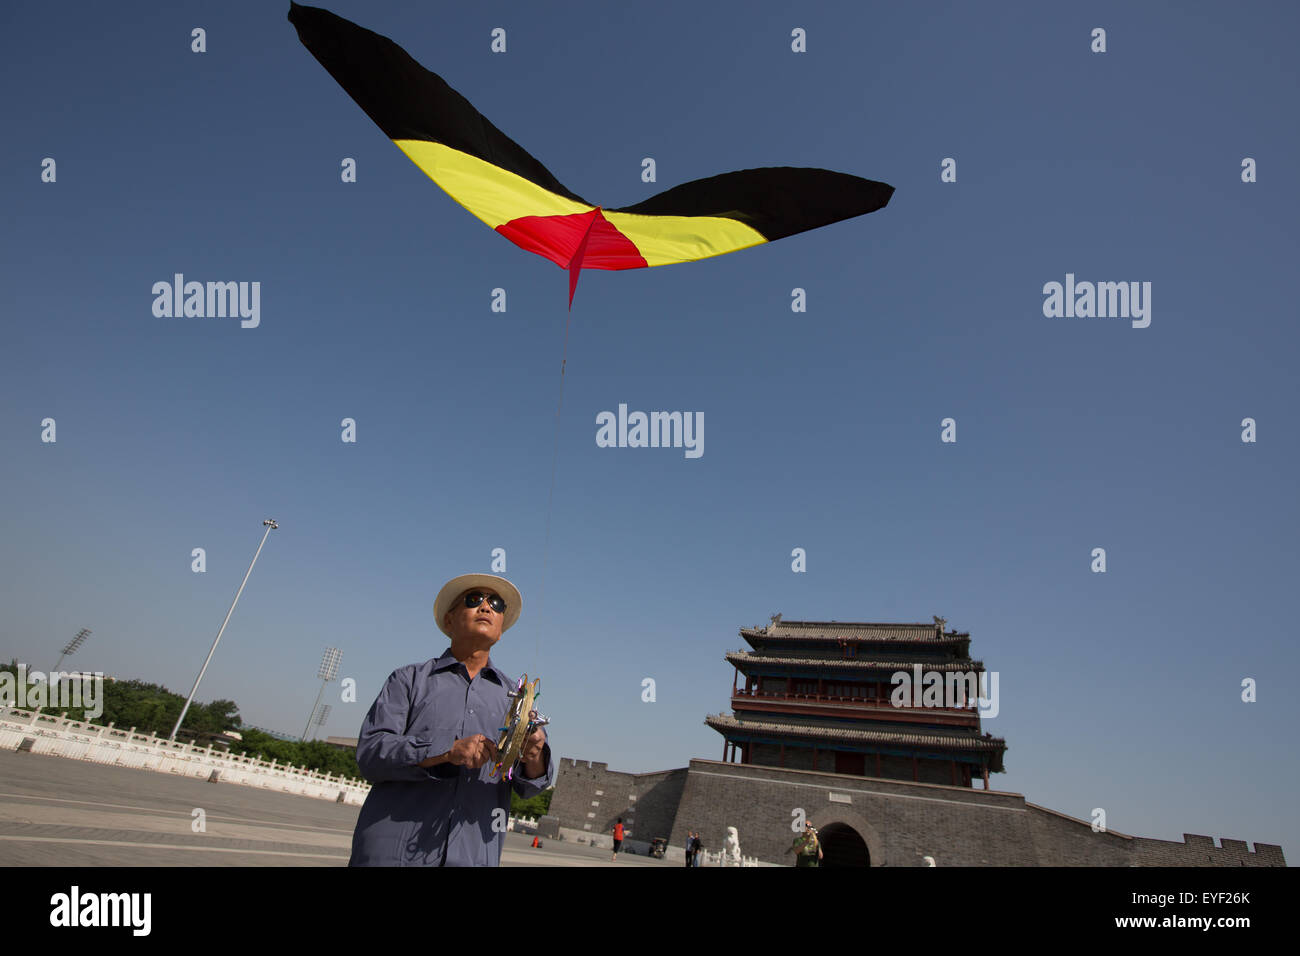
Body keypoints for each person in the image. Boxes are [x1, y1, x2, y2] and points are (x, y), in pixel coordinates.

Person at [348, 573, 554, 866]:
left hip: (472, 856)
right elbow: (371, 753)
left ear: (501, 630)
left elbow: (530, 786)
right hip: (391, 854)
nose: (486, 608)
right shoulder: (408, 680)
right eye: (474, 600)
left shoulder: (517, 699)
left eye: (495, 604)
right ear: (449, 620)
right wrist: (445, 751)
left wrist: (533, 756)